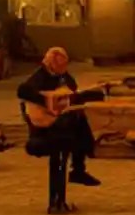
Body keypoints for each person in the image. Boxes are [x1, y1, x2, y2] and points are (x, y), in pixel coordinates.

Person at [17, 47, 101, 187]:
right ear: (50, 64)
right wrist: (47, 101)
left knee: (78, 116)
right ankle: (82, 162)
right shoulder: (39, 76)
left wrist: (69, 97)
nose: (63, 68)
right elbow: (23, 91)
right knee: (76, 121)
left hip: (59, 121)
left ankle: (80, 167)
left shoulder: (63, 75)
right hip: (44, 126)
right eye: (60, 65)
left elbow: (72, 89)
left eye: (65, 64)